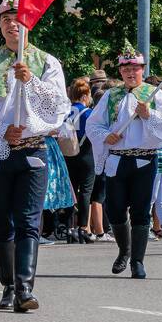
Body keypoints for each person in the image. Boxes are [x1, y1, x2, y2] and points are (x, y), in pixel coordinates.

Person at [0, 0, 68, 311]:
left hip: (34, 150)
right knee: (2, 221)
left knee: (28, 220)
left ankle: (24, 289)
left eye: (18, 19)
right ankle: (7, 285)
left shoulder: (46, 63)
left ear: (29, 23)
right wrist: (0, 131)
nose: (12, 25)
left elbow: (59, 109)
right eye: (6, 19)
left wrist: (31, 81)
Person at [85, 47, 162, 278]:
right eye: (126, 68)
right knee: (115, 208)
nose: (130, 72)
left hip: (145, 160)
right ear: (120, 71)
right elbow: (93, 124)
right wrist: (106, 136)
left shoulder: (154, 94)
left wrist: (149, 116)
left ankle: (137, 261)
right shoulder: (111, 95)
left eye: (135, 68)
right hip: (118, 160)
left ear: (142, 70)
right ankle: (124, 251)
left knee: (140, 210)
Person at [63, 79, 97, 243]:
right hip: (86, 154)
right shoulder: (89, 113)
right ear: (85, 95)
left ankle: (69, 227)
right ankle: (83, 227)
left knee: (70, 191)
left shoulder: (64, 112)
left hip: (67, 154)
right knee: (85, 192)